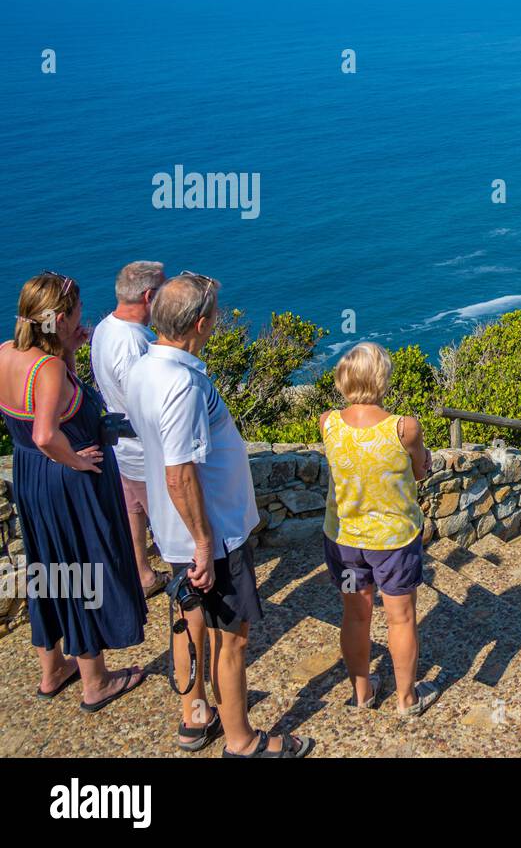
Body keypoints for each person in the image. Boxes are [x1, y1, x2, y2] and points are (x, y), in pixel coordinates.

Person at [126, 272, 313, 757]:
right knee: (231, 641)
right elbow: (179, 472)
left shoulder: (144, 368)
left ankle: (195, 719)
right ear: (202, 323)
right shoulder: (183, 384)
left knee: (190, 625)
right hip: (213, 536)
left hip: (175, 532)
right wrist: (206, 545)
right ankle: (242, 740)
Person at [0, 272, 146, 711]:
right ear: (61, 317)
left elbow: (55, 405)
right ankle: (95, 682)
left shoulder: (7, 353)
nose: (84, 317)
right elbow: (47, 433)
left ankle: (53, 669)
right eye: (78, 312)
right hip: (66, 482)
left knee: (49, 569)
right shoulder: (46, 370)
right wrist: (79, 461)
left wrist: (70, 351)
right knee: (83, 570)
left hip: (30, 478)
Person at [319, 342, 437, 716]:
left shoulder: (327, 423)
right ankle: (406, 699)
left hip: (345, 541)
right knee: (400, 618)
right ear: (382, 379)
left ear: (344, 379)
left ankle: (362, 691)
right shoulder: (404, 428)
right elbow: (420, 471)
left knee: (356, 615)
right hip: (394, 542)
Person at [90, 260, 168, 597]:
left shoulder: (106, 328)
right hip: (144, 451)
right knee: (170, 525)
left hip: (120, 447)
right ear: (149, 296)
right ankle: (190, 589)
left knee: (132, 510)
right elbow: (148, 402)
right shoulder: (135, 343)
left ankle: (142, 575)